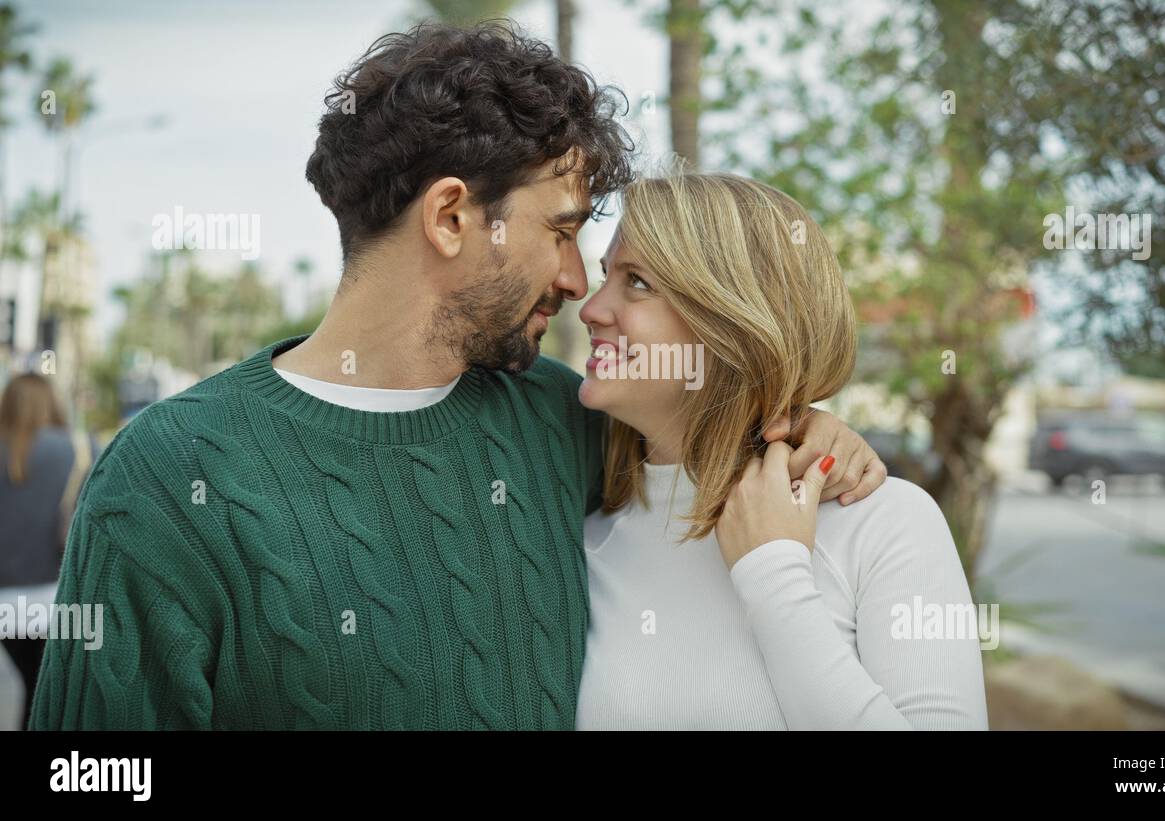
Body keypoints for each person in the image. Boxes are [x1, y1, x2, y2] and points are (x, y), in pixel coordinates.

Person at [29, 21, 884, 730]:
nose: (577, 281)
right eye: (561, 230)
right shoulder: (168, 480)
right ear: (449, 217)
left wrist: (806, 422)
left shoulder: (564, 420)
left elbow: (712, 426)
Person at [574, 173, 988, 729]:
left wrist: (774, 578)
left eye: (639, 283)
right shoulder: (587, 532)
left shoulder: (885, 521)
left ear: (735, 323)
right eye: (606, 276)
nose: (591, 309)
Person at [0, 374, 96, 728]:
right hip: (59, 599)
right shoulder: (80, 447)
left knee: (30, 681)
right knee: (52, 695)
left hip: (5, 604)